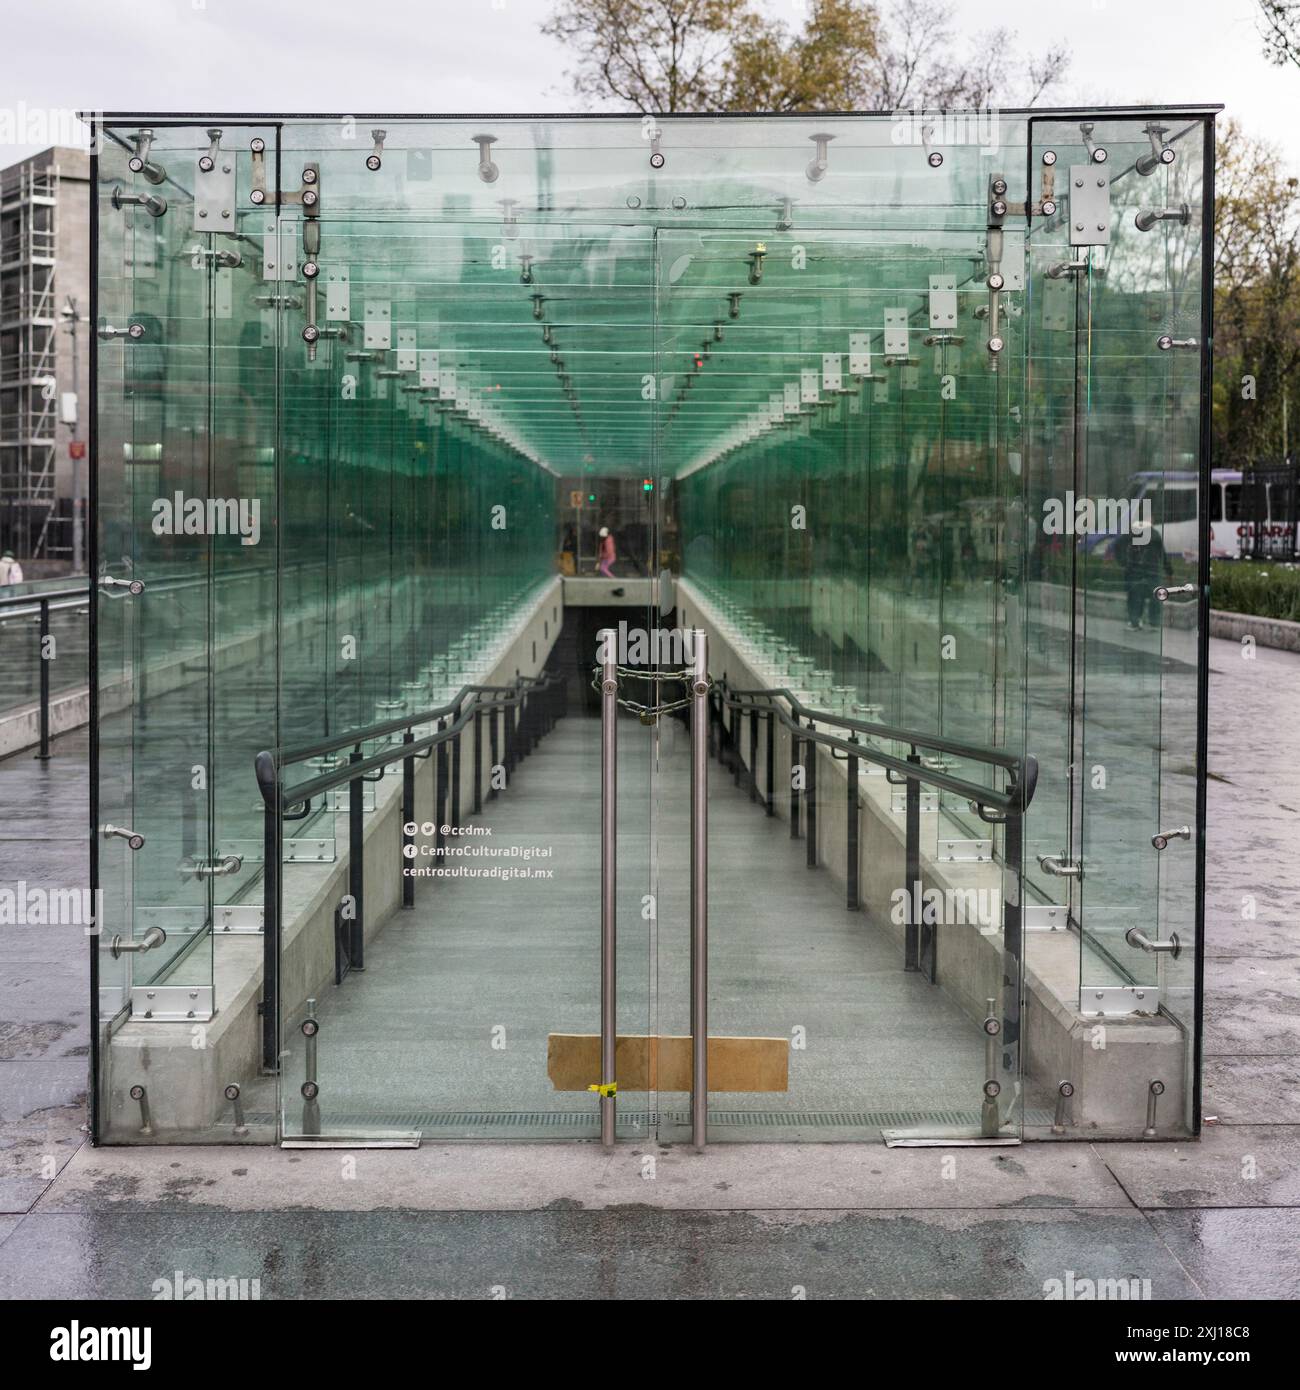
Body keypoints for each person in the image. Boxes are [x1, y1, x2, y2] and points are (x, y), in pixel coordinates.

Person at [1114, 519, 1172, 630]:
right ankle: (1153, 622)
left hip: (1136, 570)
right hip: (1150, 570)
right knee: (1153, 597)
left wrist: (1124, 562)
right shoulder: (1154, 534)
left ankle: (1135, 621)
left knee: (1135, 597)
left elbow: (1118, 545)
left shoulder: (1133, 533)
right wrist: (1168, 570)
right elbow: (1162, 554)